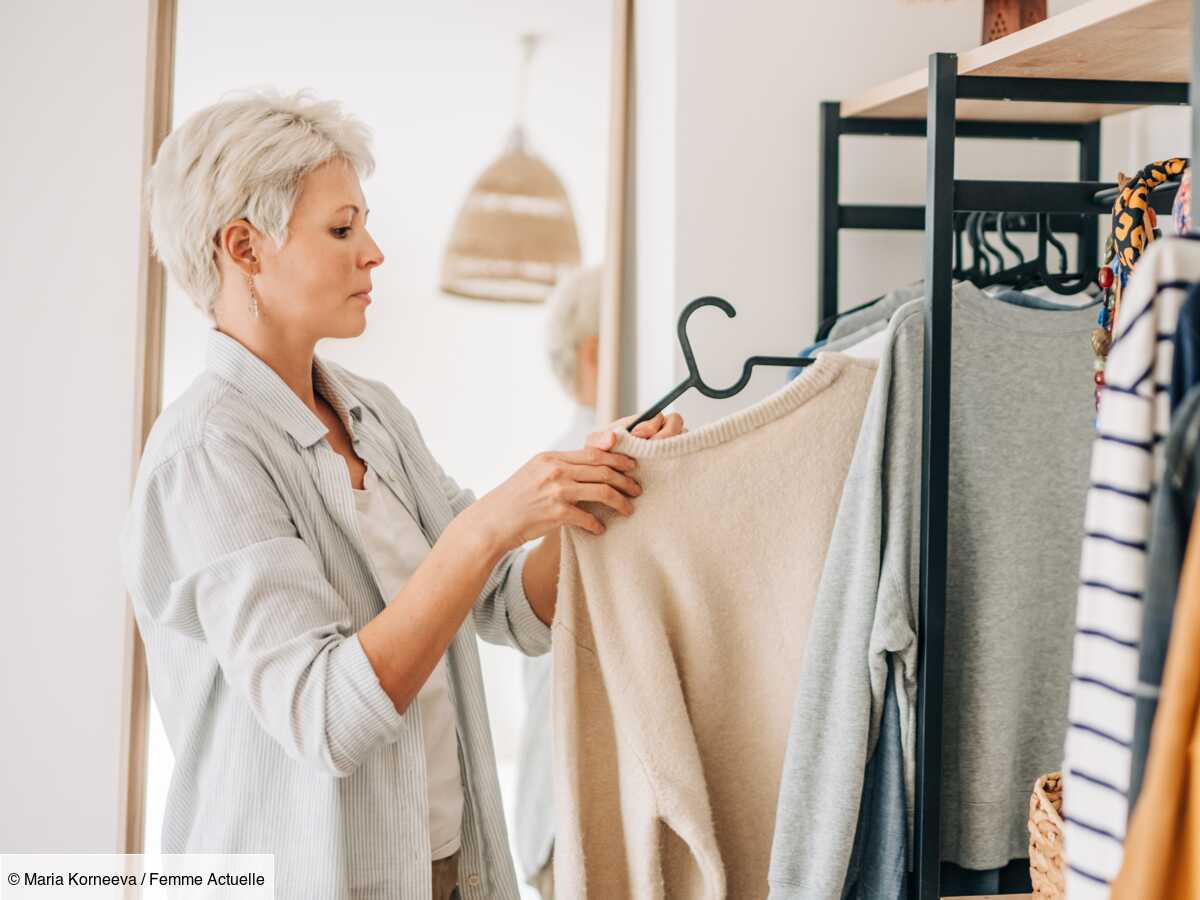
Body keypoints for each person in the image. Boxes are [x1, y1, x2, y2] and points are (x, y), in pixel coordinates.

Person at [119, 88, 684, 900]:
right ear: (244, 247)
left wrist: (587, 494)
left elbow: (509, 608)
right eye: (343, 229)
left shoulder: (373, 414)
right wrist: (487, 526)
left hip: (451, 872)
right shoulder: (208, 454)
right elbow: (323, 717)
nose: (374, 252)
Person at [515, 265, 603, 899]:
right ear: (595, 356)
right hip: (574, 822)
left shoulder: (549, 474)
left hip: (555, 816)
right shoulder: (571, 487)